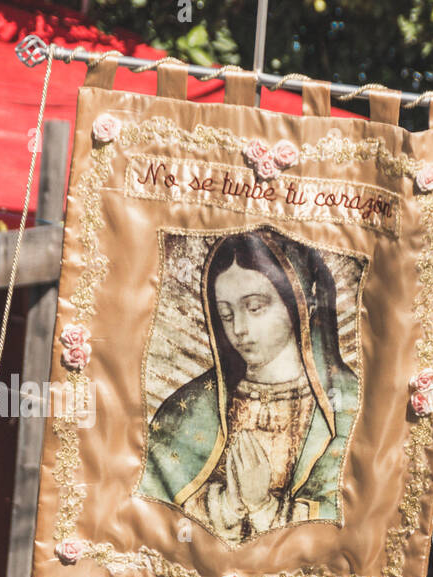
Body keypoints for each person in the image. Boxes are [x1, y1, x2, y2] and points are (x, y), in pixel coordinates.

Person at [138, 228, 360, 543]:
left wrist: (264, 506)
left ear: (299, 302)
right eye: (226, 315)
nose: (239, 329)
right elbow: (149, 515)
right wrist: (228, 505)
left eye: (254, 308)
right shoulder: (191, 408)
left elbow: (356, 516)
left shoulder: (347, 402)